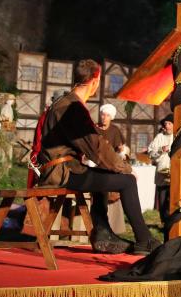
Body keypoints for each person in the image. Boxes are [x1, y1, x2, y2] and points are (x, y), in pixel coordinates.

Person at [33, 59, 161, 255]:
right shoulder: (72, 107)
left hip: (62, 168)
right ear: (95, 80)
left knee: (104, 172)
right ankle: (144, 239)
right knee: (126, 181)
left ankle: (103, 233)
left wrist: (112, 164)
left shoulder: (64, 102)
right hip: (62, 172)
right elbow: (96, 147)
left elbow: (92, 146)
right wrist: (125, 168)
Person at [148, 112, 181, 237]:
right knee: (163, 201)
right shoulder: (159, 137)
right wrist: (160, 150)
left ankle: (176, 223)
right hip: (162, 175)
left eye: (169, 123)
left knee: (175, 200)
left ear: (174, 125)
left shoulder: (180, 137)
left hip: (177, 175)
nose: (167, 126)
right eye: (166, 124)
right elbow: (150, 153)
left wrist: (179, 156)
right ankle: (165, 224)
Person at [96, 103, 129, 235]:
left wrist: (122, 151)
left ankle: (113, 229)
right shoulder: (94, 129)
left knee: (113, 198)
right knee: (98, 198)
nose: (104, 117)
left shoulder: (115, 130)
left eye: (107, 115)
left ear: (111, 117)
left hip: (110, 168)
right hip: (97, 167)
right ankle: (98, 227)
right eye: (103, 114)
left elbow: (121, 148)